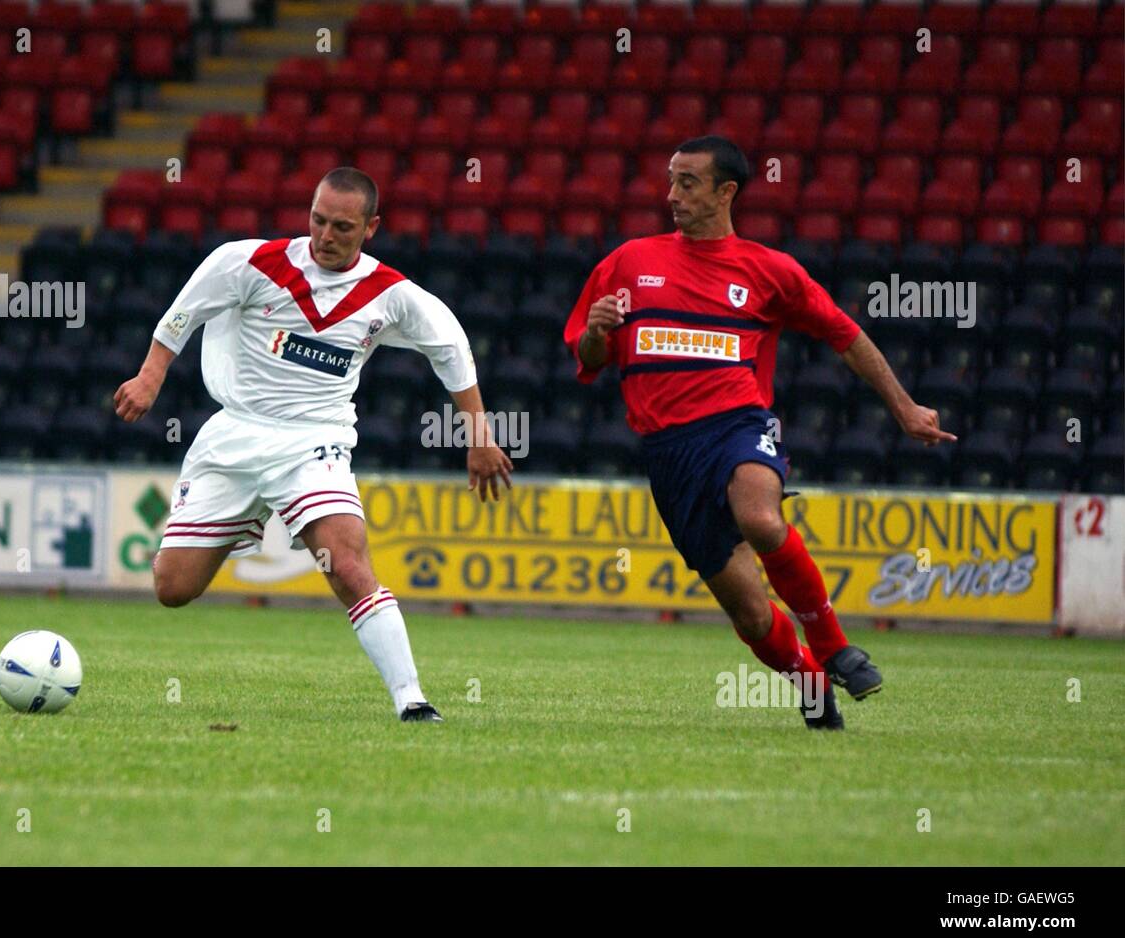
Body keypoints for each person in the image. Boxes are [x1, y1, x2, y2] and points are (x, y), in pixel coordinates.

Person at [564, 136, 957, 729]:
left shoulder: (770, 270)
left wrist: (903, 408)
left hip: (738, 424)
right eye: (670, 180)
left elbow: (844, 336)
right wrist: (597, 330)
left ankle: (833, 644)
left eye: (688, 182)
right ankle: (810, 681)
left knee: (761, 518)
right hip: (670, 454)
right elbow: (591, 359)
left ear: (727, 191)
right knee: (750, 616)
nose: (672, 195)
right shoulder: (628, 262)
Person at [115, 167, 513, 722]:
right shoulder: (252, 263)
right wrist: (150, 376)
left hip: (314, 442)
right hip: (236, 434)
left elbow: (451, 348)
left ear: (372, 227)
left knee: (346, 561)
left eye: (343, 227)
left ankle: (412, 700)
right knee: (172, 587)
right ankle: (243, 519)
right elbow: (185, 310)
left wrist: (479, 437)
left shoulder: (390, 295)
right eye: (318, 220)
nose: (326, 236)